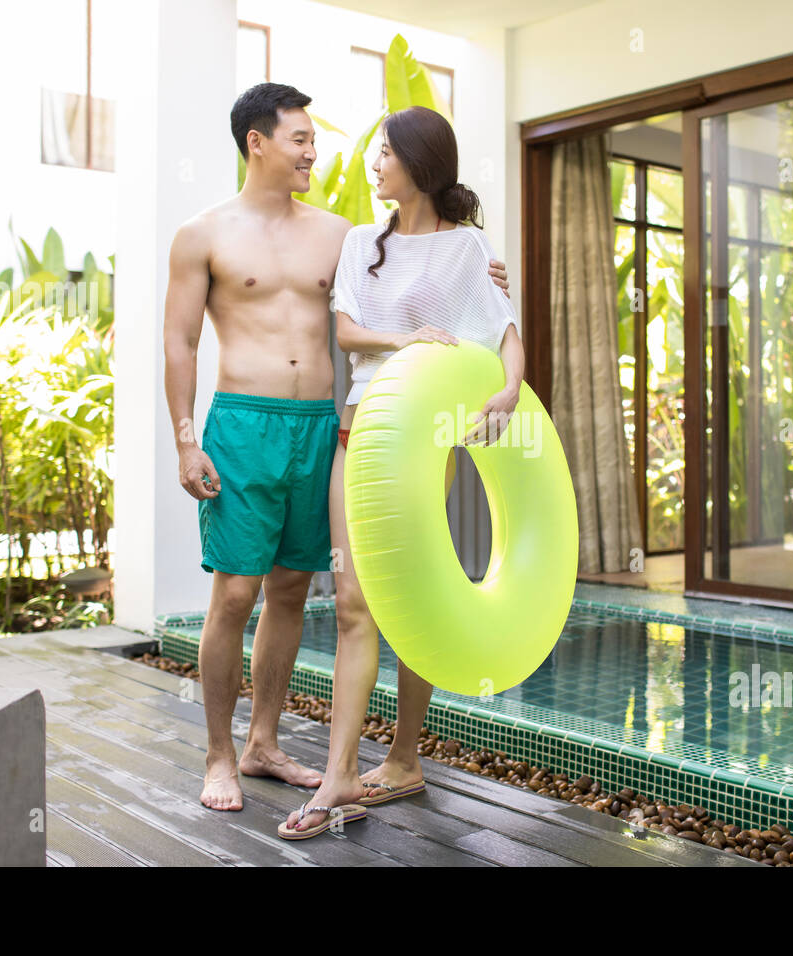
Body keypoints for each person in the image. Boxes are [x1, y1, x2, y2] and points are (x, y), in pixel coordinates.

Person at [163, 86, 510, 814]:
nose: (313, 153)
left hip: (324, 425)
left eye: (314, 140)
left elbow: (415, 269)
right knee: (233, 593)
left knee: (291, 589)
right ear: (257, 142)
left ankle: (263, 741)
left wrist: (485, 273)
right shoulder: (203, 234)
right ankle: (219, 754)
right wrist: (186, 440)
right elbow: (181, 341)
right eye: (299, 140)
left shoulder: (342, 234)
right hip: (244, 423)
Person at [281, 106, 524, 837]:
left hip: (428, 444)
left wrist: (509, 391)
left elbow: (507, 335)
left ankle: (407, 759)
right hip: (360, 432)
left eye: (384, 152)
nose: (372, 162)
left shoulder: (468, 249)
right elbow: (347, 330)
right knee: (353, 602)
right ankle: (340, 776)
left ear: (418, 161)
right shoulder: (363, 241)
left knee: (412, 599)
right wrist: (406, 338)